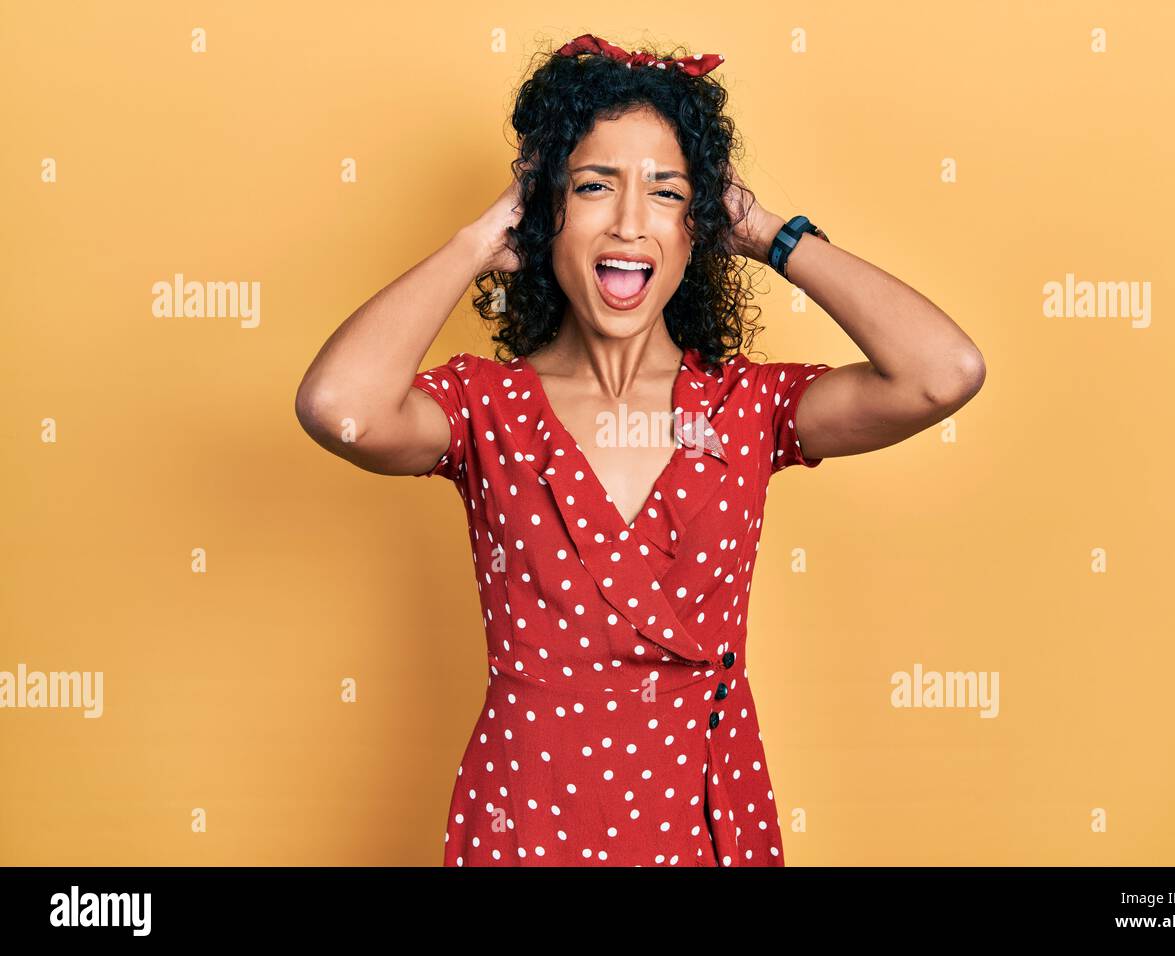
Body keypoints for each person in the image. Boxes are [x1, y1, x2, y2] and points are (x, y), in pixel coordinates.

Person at [295, 33, 985, 866]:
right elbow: (341, 409)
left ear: (698, 228)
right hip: (531, 813)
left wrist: (770, 232)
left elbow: (943, 373)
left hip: (703, 812)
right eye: (592, 187)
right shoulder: (486, 406)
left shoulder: (746, 408)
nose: (628, 222)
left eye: (666, 193)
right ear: (546, 214)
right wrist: (477, 242)